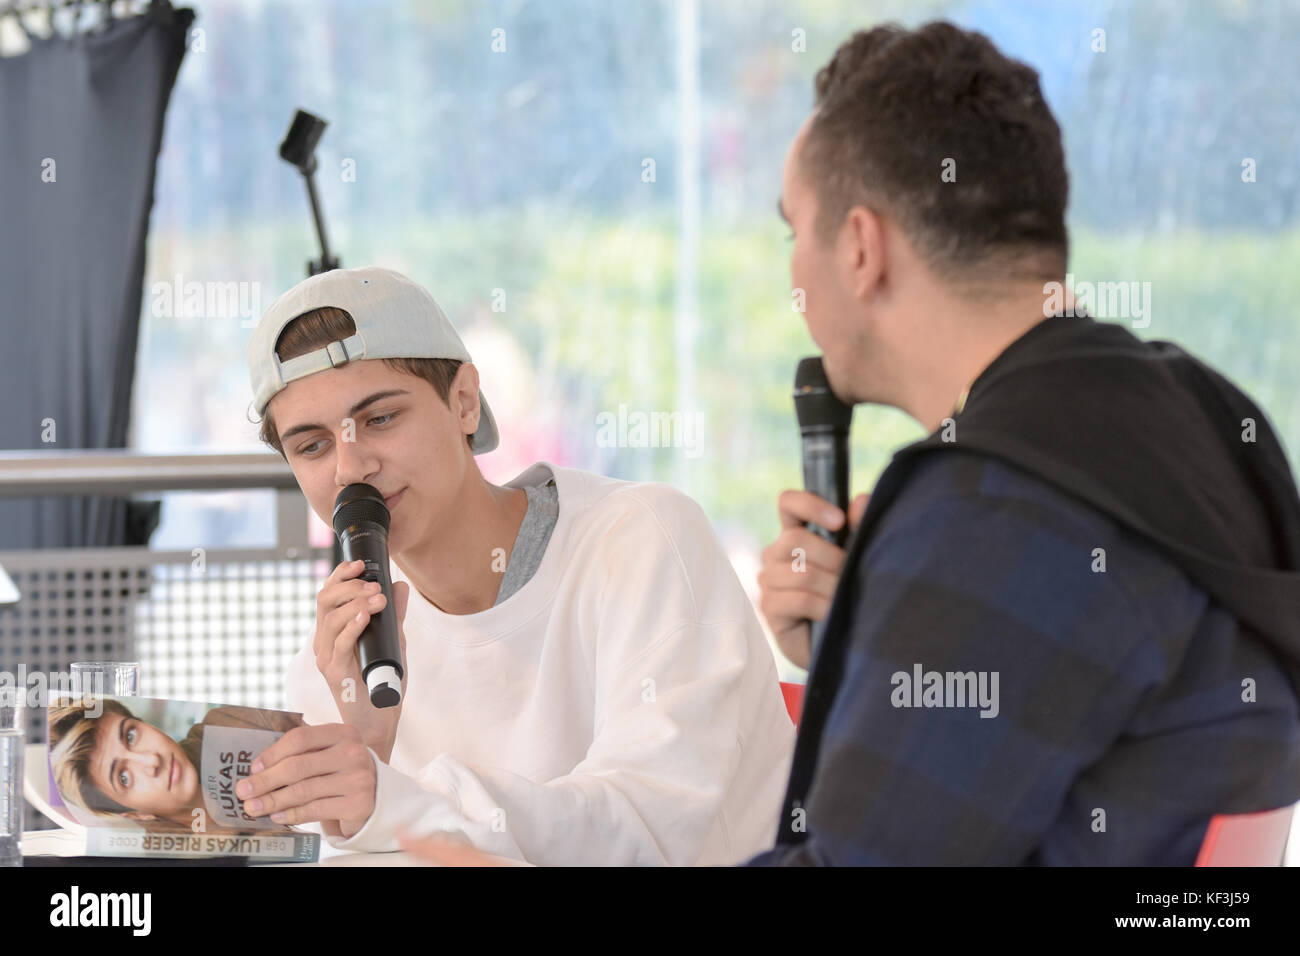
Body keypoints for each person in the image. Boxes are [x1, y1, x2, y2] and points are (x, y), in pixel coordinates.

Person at [743, 20, 1300, 865]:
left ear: (860, 247)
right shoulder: (1200, 415)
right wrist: (871, 641)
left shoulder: (995, 509)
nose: (794, 274)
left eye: (796, 232)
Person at [236, 265, 796, 865]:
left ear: (464, 403)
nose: (351, 468)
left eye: (380, 419)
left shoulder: (641, 542)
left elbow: (648, 828)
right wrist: (372, 754)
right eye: (313, 445)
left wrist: (396, 801)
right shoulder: (334, 661)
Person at [48, 697, 300, 832]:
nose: (151, 761)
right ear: (135, 813)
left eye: (131, 736)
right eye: (124, 777)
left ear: (144, 722)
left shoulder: (228, 724)